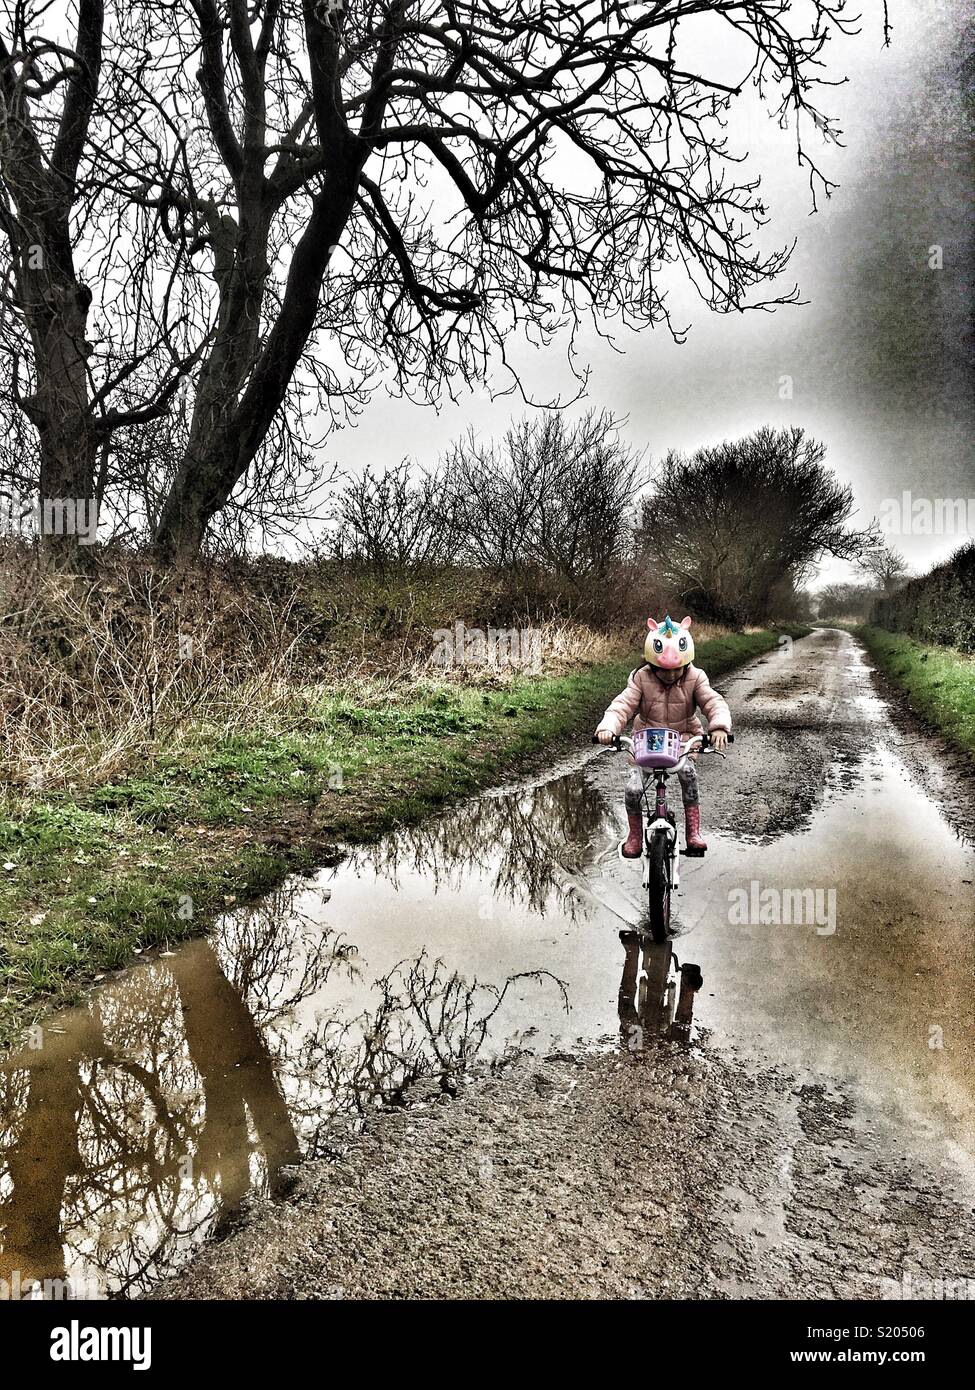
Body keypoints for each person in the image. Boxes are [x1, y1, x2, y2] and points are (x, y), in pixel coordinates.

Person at [594, 615, 731, 856]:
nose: (670, 675)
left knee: (688, 775)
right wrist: (608, 728)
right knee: (634, 789)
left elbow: (713, 701)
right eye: (663, 670)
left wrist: (718, 727)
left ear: (686, 663)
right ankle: (634, 835)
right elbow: (622, 705)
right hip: (646, 741)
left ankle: (693, 832)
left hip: (683, 740)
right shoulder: (641, 678)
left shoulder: (696, 678)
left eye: (676, 669)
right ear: (652, 664)